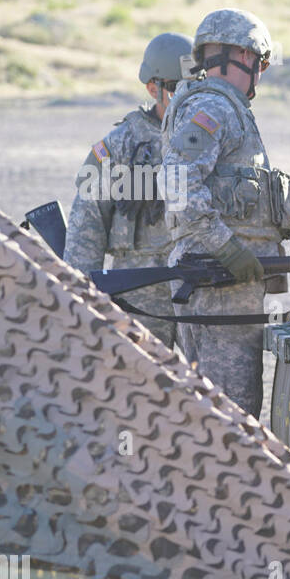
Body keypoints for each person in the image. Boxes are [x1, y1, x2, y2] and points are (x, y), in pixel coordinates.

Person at [162, 8, 290, 416]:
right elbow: (177, 182)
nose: (262, 71)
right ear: (243, 56)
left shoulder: (227, 109)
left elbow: (234, 192)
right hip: (217, 281)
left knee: (216, 408)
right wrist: (228, 249)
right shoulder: (215, 108)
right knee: (231, 412)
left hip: (227, 282)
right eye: (261, 62)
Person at [64, 32, 192, 346]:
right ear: (154, 88)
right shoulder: (120, 145)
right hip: (138, 291)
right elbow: (86, 225)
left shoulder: (209, 137)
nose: (189, 96)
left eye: (196, 85)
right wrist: (80, 299)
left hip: (197, 286)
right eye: (178, 87)